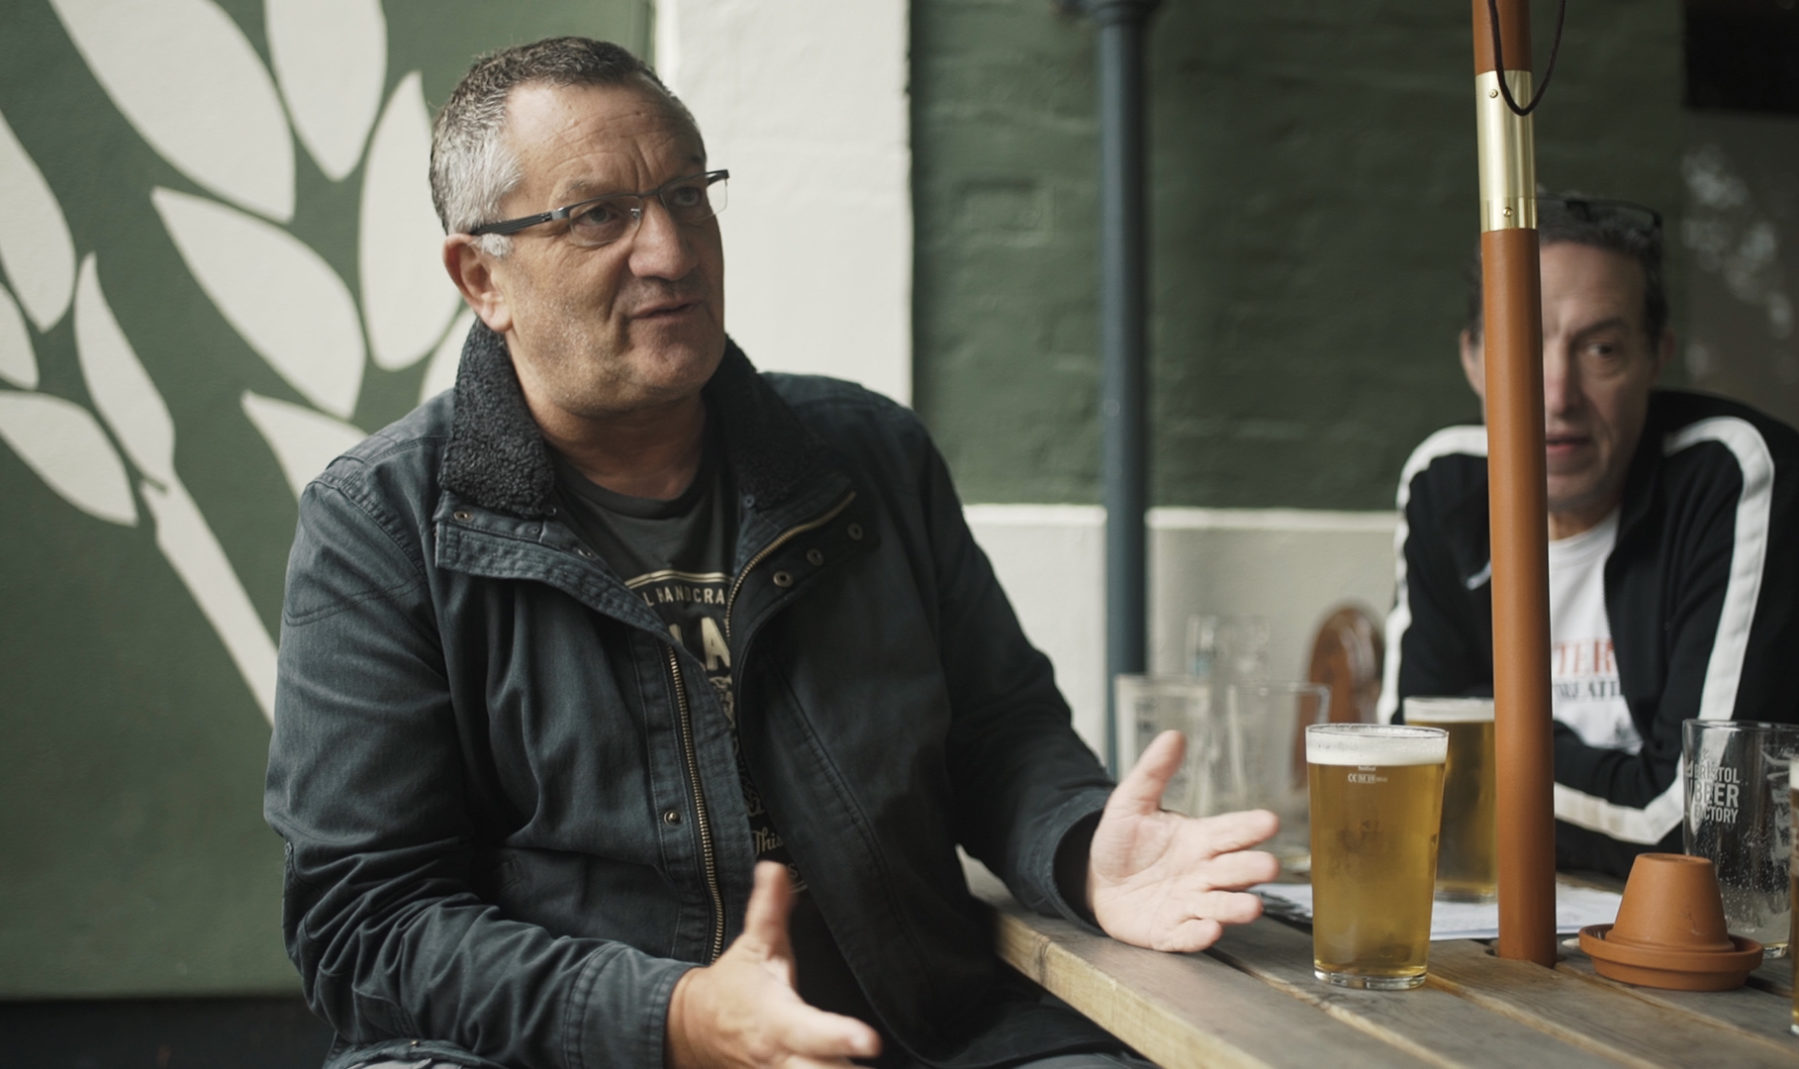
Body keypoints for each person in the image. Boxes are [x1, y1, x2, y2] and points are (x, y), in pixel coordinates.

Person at [264, 36, 1279, 1069]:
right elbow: (366, 922)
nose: (669, 251)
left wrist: (1081, 848)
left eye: (685, 195)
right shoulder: (382, 523)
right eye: (599, 214)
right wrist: (674, 1017)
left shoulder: (868, 458)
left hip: (904, 1035)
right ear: (483, 276)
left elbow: (998, 737)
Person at [1380, 192, 1799, 877]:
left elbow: (1698, 825)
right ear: (1473, 358)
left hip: (1788, 921)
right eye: (1519, 342)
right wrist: (1632, 784)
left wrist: (1476, 769)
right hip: (1539, 911)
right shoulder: (1444, 485)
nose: (1556, 394)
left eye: (1602, 348)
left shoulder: (1732, 472)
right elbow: (1405, 769)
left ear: (1656, 356)